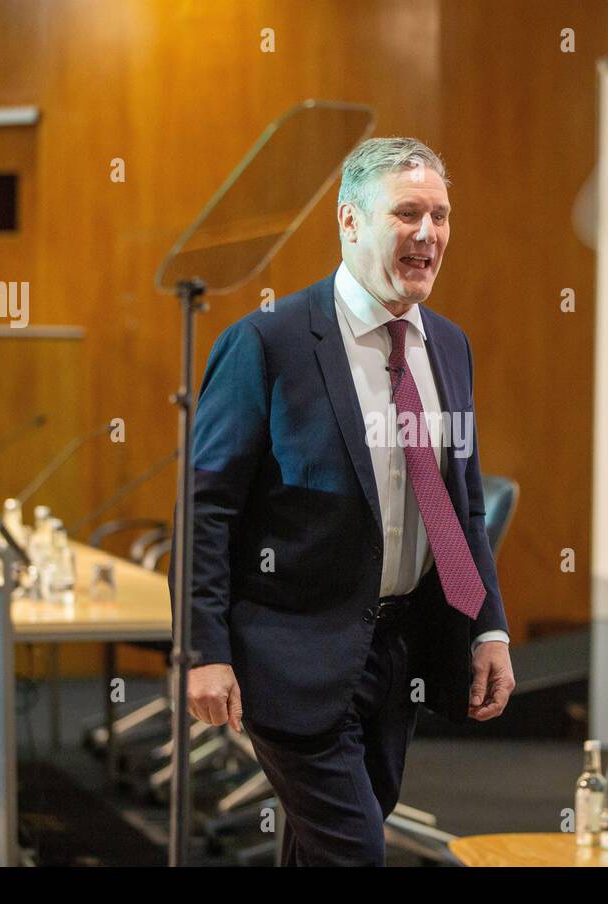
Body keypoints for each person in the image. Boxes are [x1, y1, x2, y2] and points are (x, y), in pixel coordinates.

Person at [170, 137, 514, 865]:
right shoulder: (268, 343)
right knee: (355, 850)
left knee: (328, 845)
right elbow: (207, 509)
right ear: (350, 222)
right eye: (408, 213)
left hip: (399, 655)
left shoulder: (449, 347)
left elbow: (456, 507)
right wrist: (204, 652)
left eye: (441, 217)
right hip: (291, 652)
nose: (428, 234)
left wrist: (486, 628)